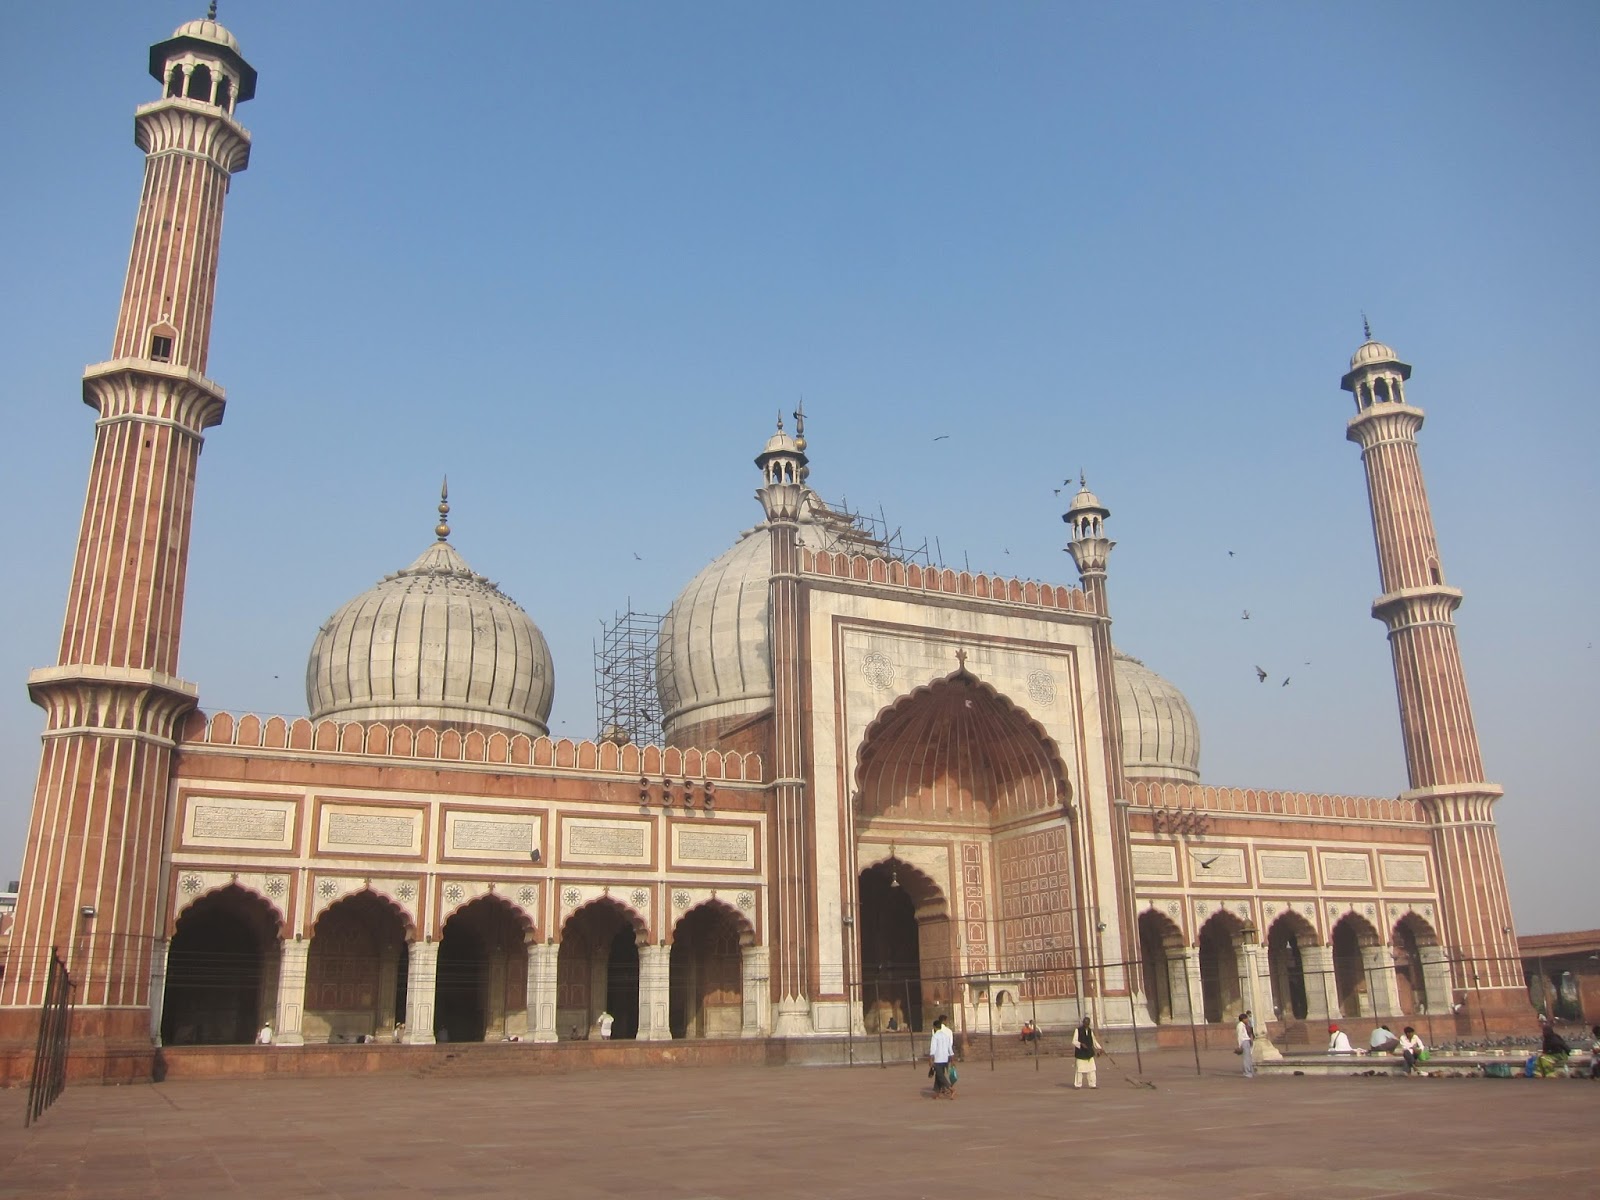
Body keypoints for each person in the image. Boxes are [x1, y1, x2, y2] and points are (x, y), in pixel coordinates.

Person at [928, 1014, 955, 1099]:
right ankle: (936, 1092)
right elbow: (950, 1048)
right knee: (938, 1075)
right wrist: (952, 1060)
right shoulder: (946, 1036)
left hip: (938, 1059)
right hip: (945, 1059)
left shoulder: (935, 1036)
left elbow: (933, 1049)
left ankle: (950, 1088)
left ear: (935, 1027)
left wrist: (931, 1059)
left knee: (940, 1075)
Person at [1072, 1017, 1103, 1089]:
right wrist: (1081, 1044)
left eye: (1088, 1024)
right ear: (1083, 1023)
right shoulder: (1078, 1030)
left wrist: (1099, 1048)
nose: (1086, 1025)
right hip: (1081, 1053)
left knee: (1092, 1069)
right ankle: (1078, 1084)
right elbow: (1074, 1041)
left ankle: (1092, 1084)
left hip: (1089, 1053)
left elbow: (1094, 1041)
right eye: (1085, 1023)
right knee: (1079, 1070)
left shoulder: (1090, 1031)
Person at [1236, 1011, 1255, 1078]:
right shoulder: (1240, 1025)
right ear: (1243, 1019)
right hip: (1244, 1041)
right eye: (1246, 1018)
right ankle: (1247, 1072)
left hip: (1246, 1041)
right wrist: (1240, 1045)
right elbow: (1240, 1035)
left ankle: (1249, 1071)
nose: (1247, 1020)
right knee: (1246, 1058)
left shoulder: (1243, 1025)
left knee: (1248, 1057)